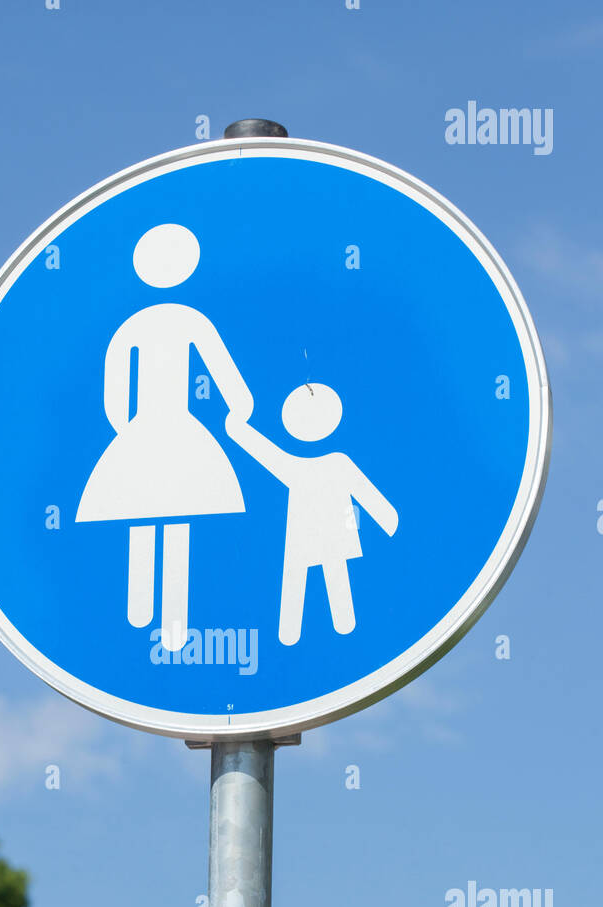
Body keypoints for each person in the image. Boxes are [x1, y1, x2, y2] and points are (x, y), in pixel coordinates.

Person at [76, 223, 253, 652]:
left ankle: (145, 613)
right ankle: (166, 621)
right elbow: (226, 376)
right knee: (177, 515)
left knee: (142, 509)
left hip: (145, 429)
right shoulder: (189, 320)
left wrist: (127, 431)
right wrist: (239, 409)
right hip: (178, 429)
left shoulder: (133, 326)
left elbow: (113, 394)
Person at [226, 383, 398, 645]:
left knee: (313, 576)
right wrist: (388, 519)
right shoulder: (331, 463)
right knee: (317, 575)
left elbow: (266, 453)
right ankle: (304, 633)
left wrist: (237, 428)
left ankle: (298, 634)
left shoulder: (305, 466)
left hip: (315, 534)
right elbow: (367, 493)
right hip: (317, 534)